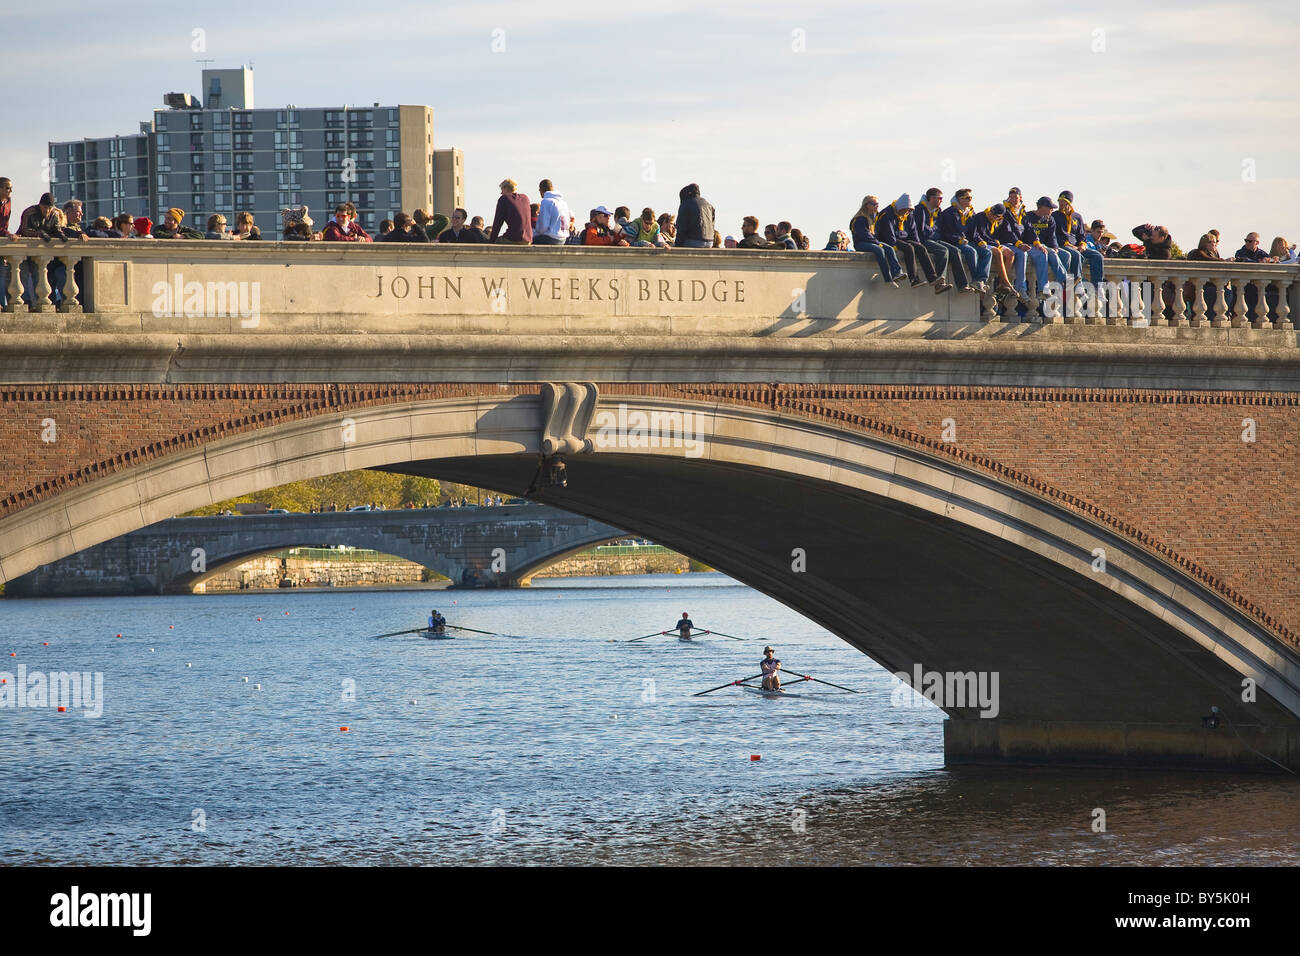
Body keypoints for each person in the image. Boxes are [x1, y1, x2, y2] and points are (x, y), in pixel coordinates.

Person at [875, 193, 950, 292]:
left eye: (909, 210)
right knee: (909, 248)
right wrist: (895, 246)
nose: (907, 212)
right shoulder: (887, 213)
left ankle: (933, 278)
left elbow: (913, 230)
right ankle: (914, 280)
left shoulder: (908, 214)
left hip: (904, 238)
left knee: (921, 248)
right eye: (906, 210)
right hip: (889, 240)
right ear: (900, 207)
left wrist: (917, 243)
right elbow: (889, 234)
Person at [916, 187, 974, 292]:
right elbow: (918, 229)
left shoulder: (938, 211)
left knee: (955, 251)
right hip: (924, 239)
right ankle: (939, 282)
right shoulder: (920, 209)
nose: (941, 201)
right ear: (932, 198)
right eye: (939, 198)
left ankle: (962, 285)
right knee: (943, 250)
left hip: (936, 239)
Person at [939, 188, 991, 293]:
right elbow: (946, 232)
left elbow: (974, 233)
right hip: (954, 243)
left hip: (968, 242)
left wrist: (980, 241)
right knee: (971, 251)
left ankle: (980, 281)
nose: (970, 200)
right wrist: (958, 240)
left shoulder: (971, 213)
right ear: (960, 199)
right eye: (967, 198)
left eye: (971, 197)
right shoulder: (949, 212)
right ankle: (975, 279)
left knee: (987, 252)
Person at [848, 196, 903, 285]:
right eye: (874, 204)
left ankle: (897, 273)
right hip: (861, 243)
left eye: (877, 204)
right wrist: (878, 243)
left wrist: (878, 242)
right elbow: (864, 235)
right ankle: (888, 278)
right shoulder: (859, 219)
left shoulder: (874, 217)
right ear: (867, 205)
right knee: (879, 250)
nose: (877, 206)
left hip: (872, 241)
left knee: (889, 248)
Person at [1022, 196, 1069, 298]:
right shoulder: (1028, 216)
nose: (1052, 210)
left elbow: (1052, 236)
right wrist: (1037, 244)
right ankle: (1043, 288)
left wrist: (1055, 247)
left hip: (1044, 245)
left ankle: (1061, 282)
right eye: (1050, 208)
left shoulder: (1050, 219)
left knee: (1065, 255)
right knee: (1045, 253)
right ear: (1042, 207)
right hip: (1030, 245)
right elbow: (1029, 233)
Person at [1052, 191, 1092, 281]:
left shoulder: (1077, 216)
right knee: (1076, 255)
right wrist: (1071, 246)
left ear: (1069, 203)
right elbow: (1055, 235)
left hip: (1077, 246)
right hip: (1063, 245)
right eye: (1060, 201)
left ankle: (1097, 286)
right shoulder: (1054, 215)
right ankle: (1078, 283)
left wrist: (1082, 245)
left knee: (1097, 256)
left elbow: (1082, 235)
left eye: (1064, 201)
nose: (1061, 204)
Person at [489, 179, 532, 244]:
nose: (501, 193)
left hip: (514, 238)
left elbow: (497, 223)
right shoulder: (525, 198)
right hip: (528, 238)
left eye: (502, 190)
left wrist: (491, 241)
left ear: (506, 188)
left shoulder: (504, 199)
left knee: (497, 241)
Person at [674, 183, 715, 248]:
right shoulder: (709, 205)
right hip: (710, 242)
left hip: (693, 241)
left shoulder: (686, 204)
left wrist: (677, 245)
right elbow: (712, 224)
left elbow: (681, 227)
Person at [532, 179, 572, 245]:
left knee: (527, 240)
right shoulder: (563, 203)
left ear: (541, 191)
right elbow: (565, 224)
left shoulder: (547, 201)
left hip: (551, 239)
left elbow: (542, 228)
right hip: (563, 239)